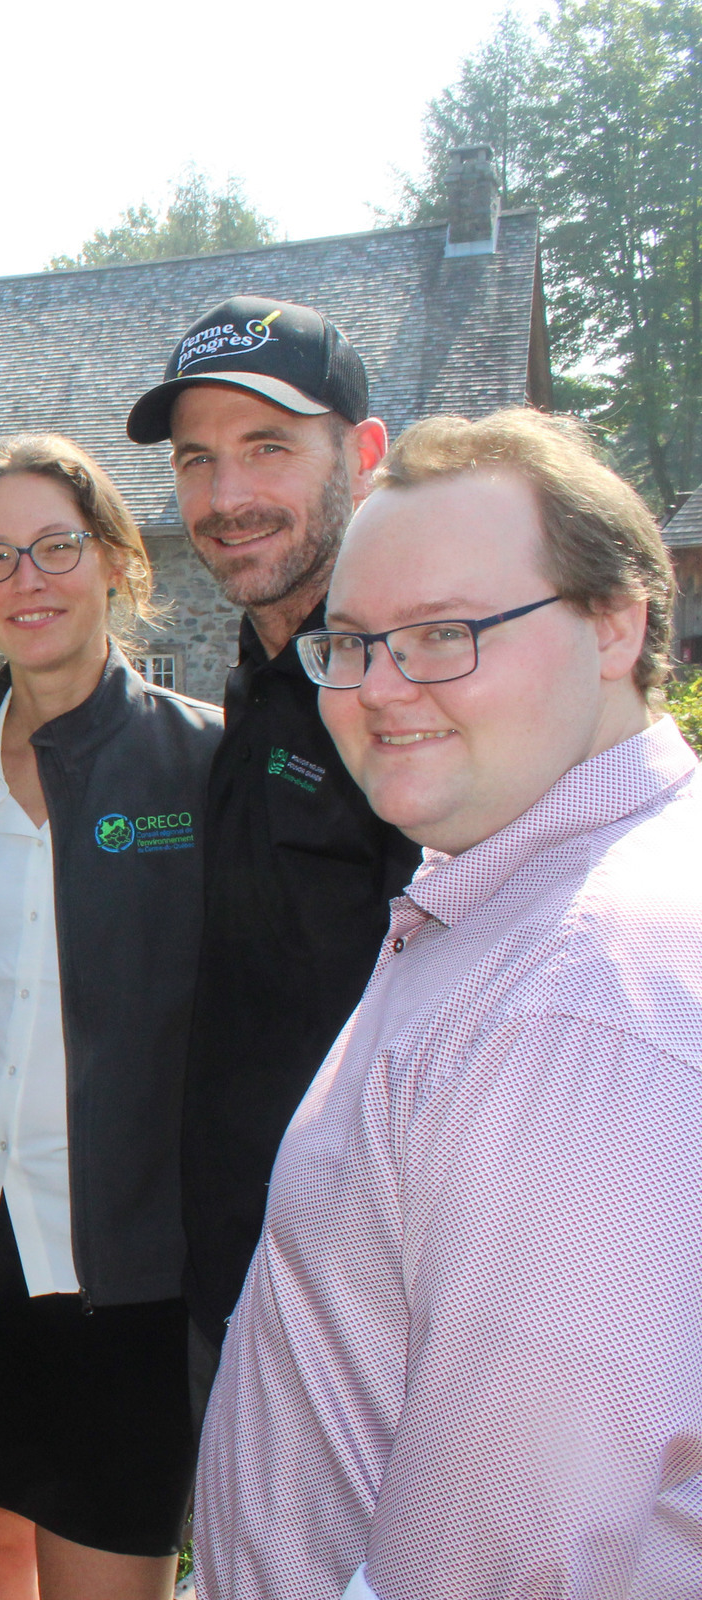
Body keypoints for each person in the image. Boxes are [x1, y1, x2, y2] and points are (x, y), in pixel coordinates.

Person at [194, 408, 702, 1598]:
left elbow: (504, 1552)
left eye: (444, 634)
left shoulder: (578, 1003)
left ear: (616, 623)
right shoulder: (511, 891)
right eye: (355, 642)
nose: (379, 688)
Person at [0, 436, 220, 1600]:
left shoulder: (203, 765)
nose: (27, 579)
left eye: (55, 546)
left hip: (129, 1286)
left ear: (117, 562)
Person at [124, 296, 422, 1411]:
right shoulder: (256, 685)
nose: (228, 496)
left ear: (365, 451)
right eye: (198, 461)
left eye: (268, 449)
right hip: (232, 1300)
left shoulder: (410, 698)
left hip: (376, 1335)